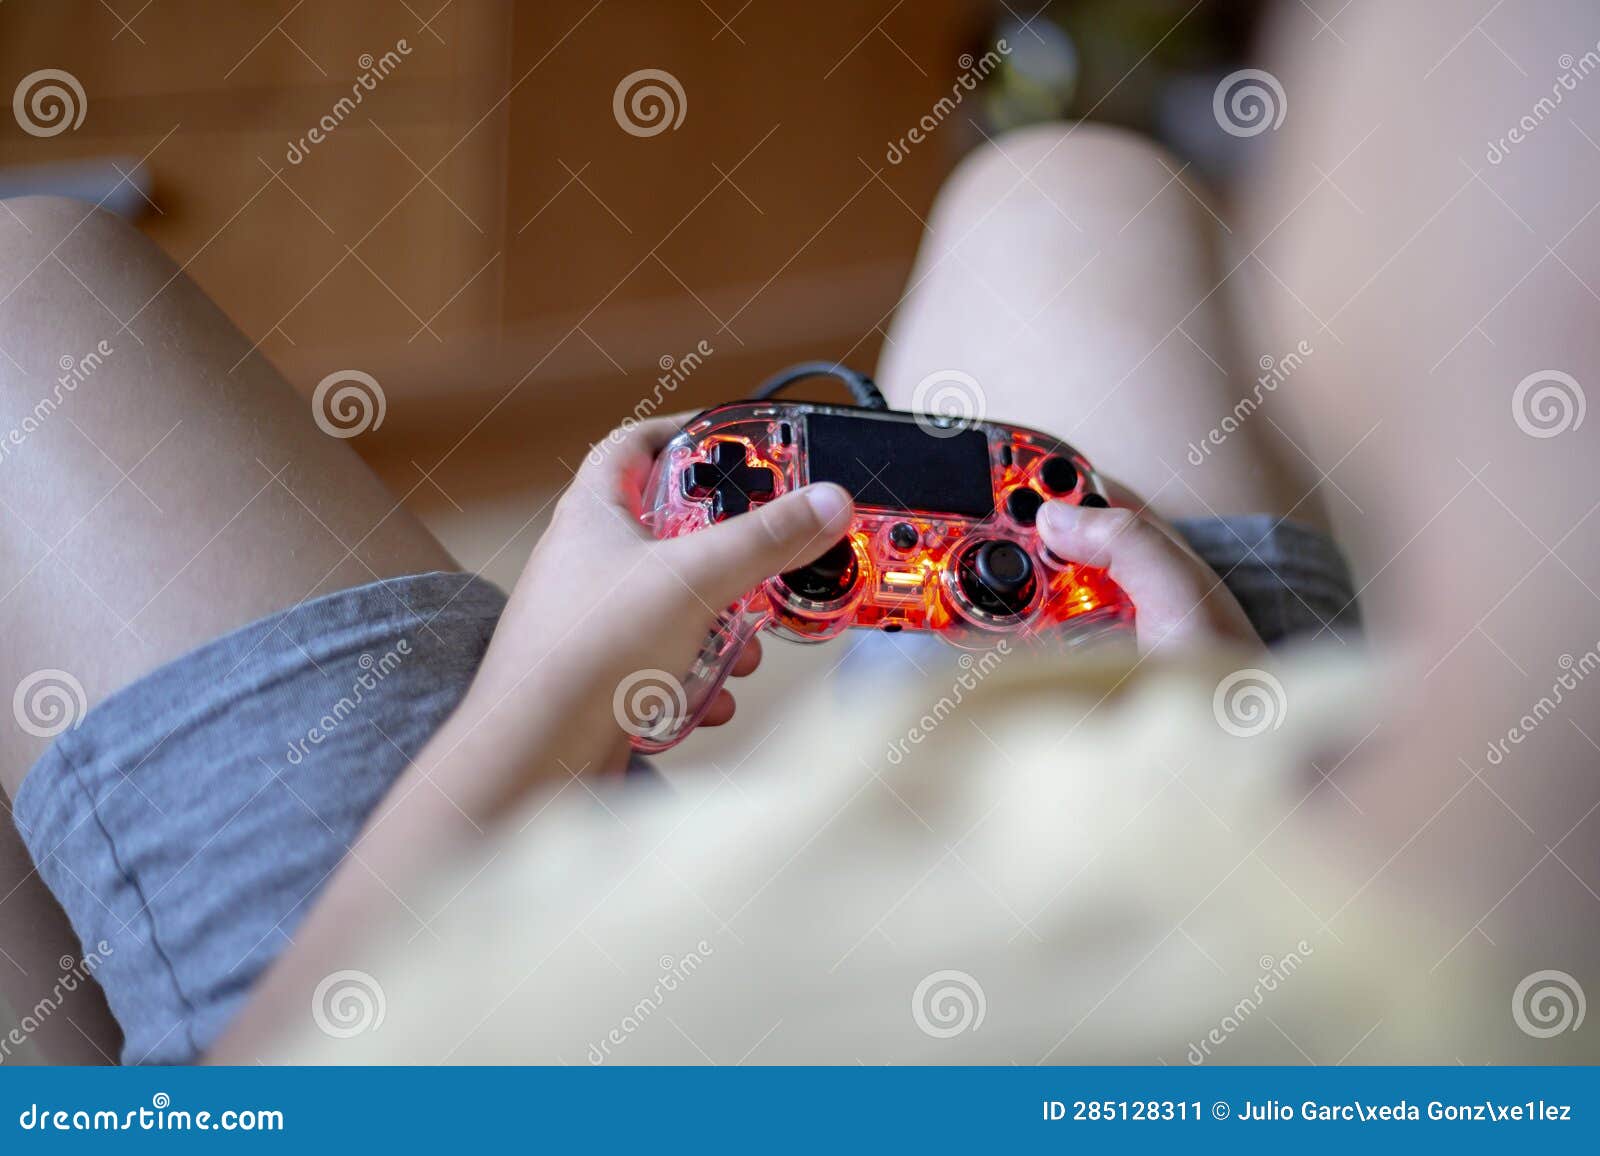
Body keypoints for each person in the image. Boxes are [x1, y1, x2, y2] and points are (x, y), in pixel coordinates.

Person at [3, 0, 1597, 1065]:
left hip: (473, 1003)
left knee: (26, 289)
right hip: (1230, 821)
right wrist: (1214, 716)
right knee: (1066, 194)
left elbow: (297, 1085)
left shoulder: (649, 988)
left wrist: (540, 712)